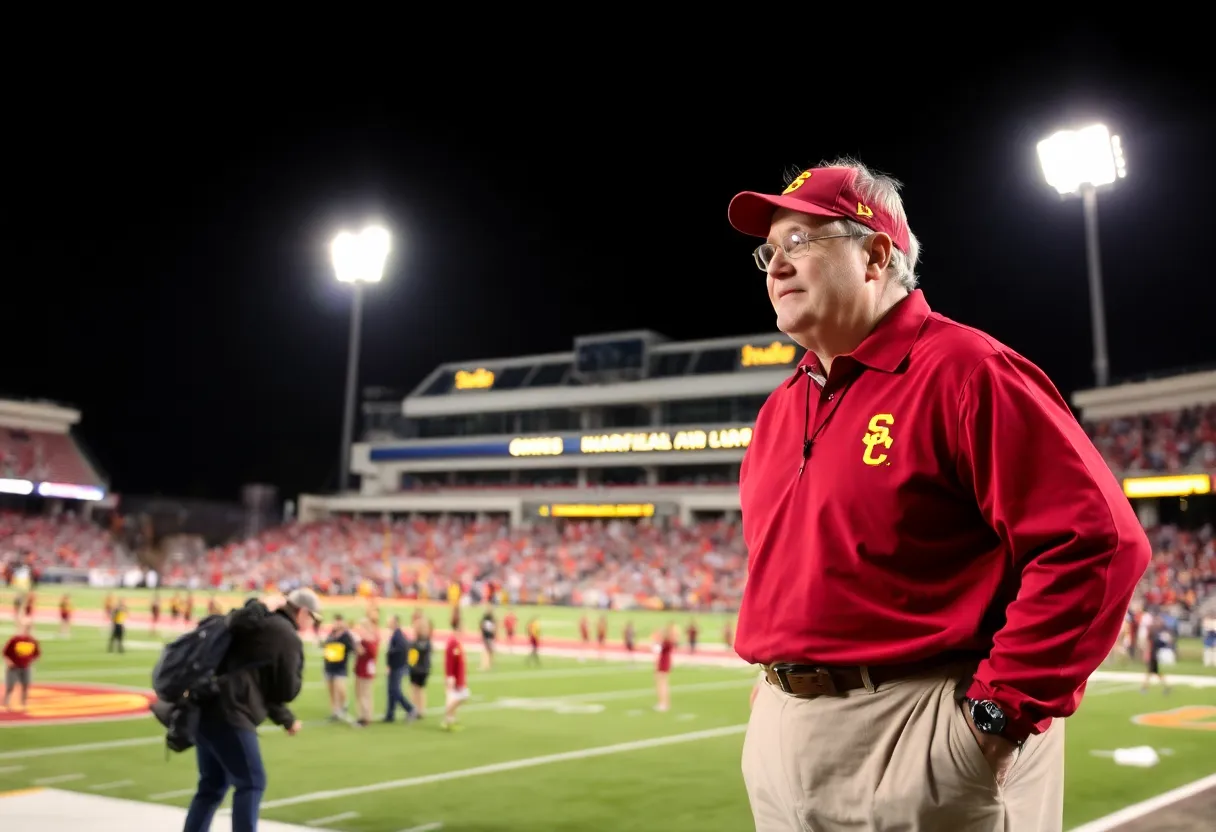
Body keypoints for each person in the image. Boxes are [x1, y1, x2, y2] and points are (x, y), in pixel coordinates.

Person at [726, 158, 1152, 832]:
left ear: (874, 256)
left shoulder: (965, 370)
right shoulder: (781, 408)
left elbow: (1096, 542)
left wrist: (997, 718)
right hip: (785, 733)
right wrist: (774, 690)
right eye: (769, 250)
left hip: (918, 726)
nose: (776, 265)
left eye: (802, 242)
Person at [182, 588, 319, 832]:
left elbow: (253, 679)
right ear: (303, 612)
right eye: (313, 618)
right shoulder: (285, 634)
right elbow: (285, 690)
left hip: (205, 705)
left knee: (211, 786)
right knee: (252, 783)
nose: (312, 624)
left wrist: (284, 718)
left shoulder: (255, 620)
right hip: (232, 712)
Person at [2, 620, 40, 712]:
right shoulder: (15, 640)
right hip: (13, 667)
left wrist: (30, 661)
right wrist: (9, 661)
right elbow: (5, 652)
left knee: (25, 685)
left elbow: (37, 654)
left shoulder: (33, 641)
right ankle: (6, 702)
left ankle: (23, 703)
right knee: (10, 686)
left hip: (25, 667)